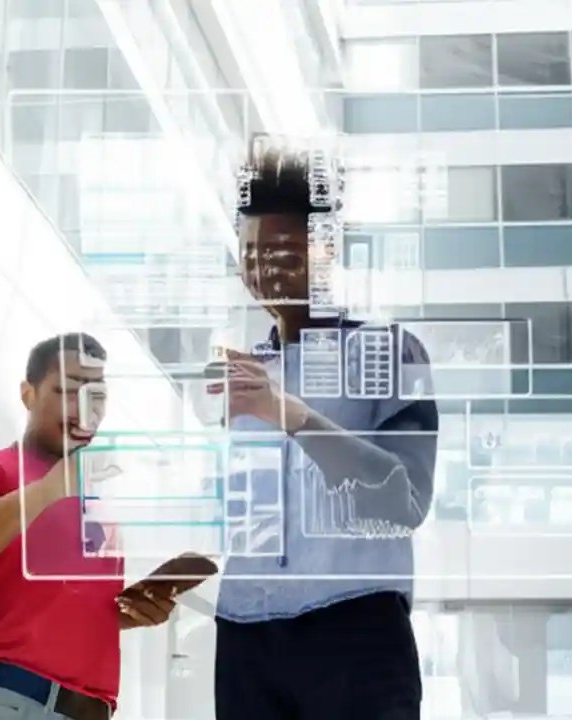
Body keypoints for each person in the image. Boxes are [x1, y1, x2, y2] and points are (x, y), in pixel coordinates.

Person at [212, 138, 440, 719]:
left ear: (326, 247)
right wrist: (186, 568)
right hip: (243, 636)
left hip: (355, 628)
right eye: (251, 252)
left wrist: (289, 413)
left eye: (283, 249)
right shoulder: (243, 379)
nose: (263, 269)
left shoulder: (389, 350)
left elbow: (404, 499)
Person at [0, 333, 175, 720]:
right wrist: (51, 488)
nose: (83, 410)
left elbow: (55, 611)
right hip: (5, 703)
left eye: (97, 397)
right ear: (28, 394)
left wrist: (128, 612)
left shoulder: (100, 511)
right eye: (68, 391)